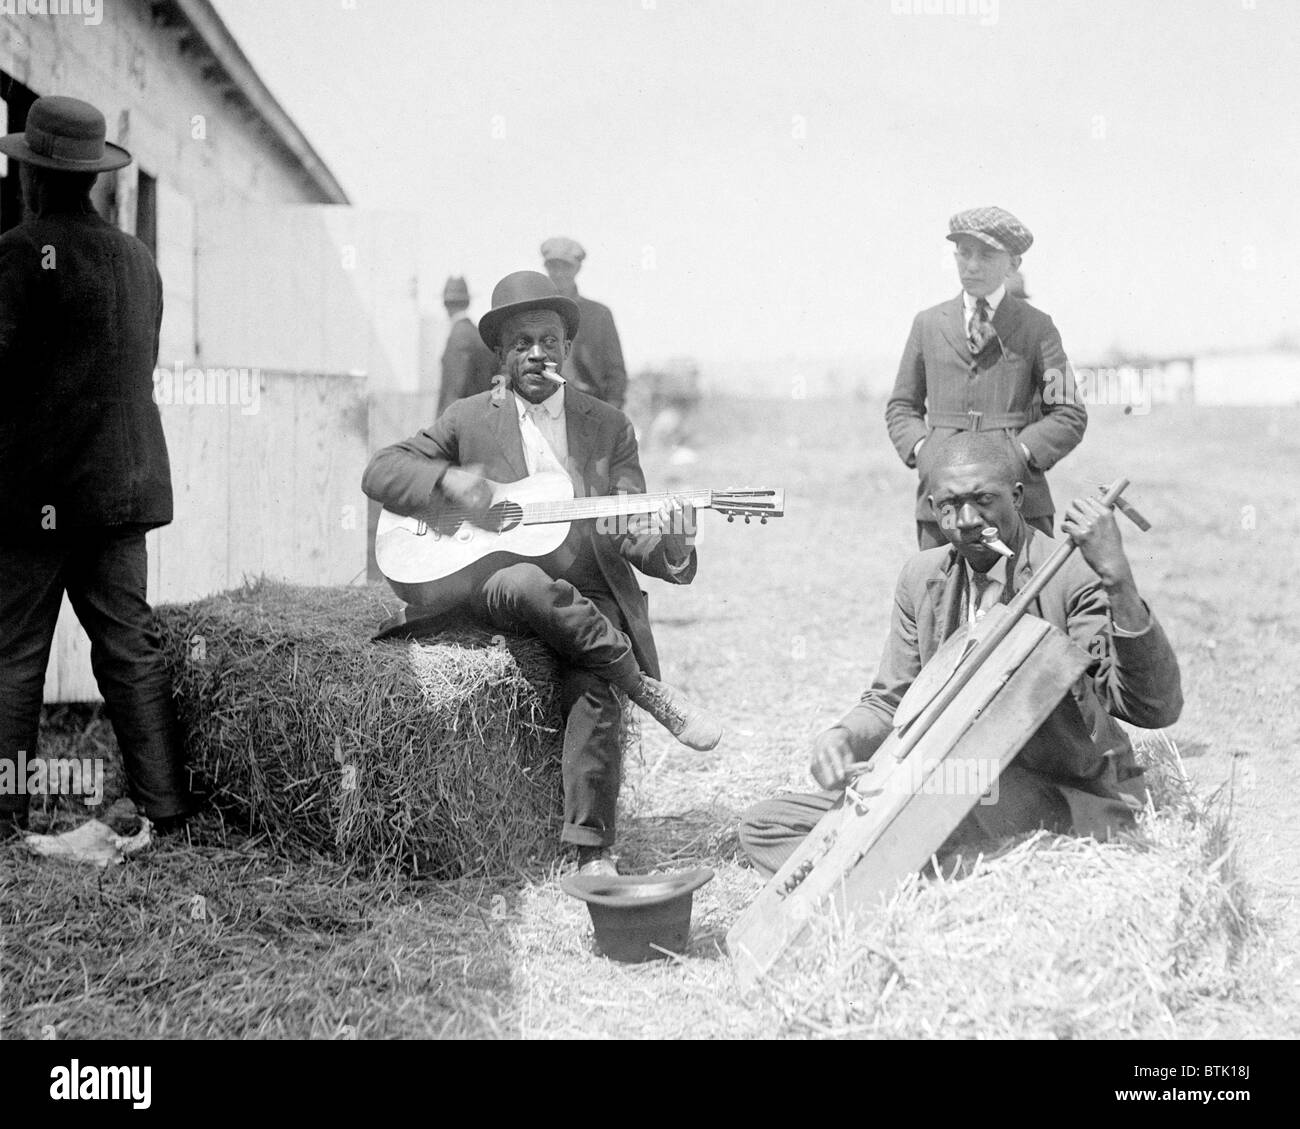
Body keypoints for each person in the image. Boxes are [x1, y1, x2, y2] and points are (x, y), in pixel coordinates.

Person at [362, 271, 721, 876]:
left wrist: (675, 539)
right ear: (501, 355)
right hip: (495, 581)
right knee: (529, 583)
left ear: (567, 349)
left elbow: (630, 527)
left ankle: (590, 853)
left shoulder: (608, 426)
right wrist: (449, 481)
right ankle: (649, 691)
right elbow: (380, 471)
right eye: (522, 342)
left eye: (550, 341)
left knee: (592, 666)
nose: (537, 353)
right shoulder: (470, 418)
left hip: (588, 589)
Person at [738, 431, 1182, 878]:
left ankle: (901, 873)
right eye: (949, 505)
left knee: (930, 809)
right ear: (932, 508)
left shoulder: (1069, 574)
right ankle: (924, 876)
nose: (967, 519)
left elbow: (1150, 707)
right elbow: (892, 700)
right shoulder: (921, 577)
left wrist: (1119, 580)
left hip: (1056, 791)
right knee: (766, 826)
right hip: (949, 787)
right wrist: (842, 737)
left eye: (983, 500)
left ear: (1018, 496)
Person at [0, 96, 191, 837]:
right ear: (93, 178)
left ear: (33, 175)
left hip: (38, 497)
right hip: (123, 491)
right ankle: (166, 807)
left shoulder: (18, 252)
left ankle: (5, 817)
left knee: (14, 653)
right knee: (129, 647)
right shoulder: (139, 260)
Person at [887, 206, 1087, 549]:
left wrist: (1018, 452)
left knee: (1024, 596)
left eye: (987, 254)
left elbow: (1069, 413)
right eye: (964, 253)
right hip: (943, 496)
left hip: (1015, 497)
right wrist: (926, 452)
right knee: (939, 594)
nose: (972, 264)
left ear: (1013, 264)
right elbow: (902, 407)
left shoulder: (1037, 326)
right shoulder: (928, 324)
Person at [540, 236, 627, 409]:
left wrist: (611, 415)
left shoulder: (598, 314)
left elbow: (615, 372)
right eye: (553, 266)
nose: (559, 273)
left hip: (588, 406)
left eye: (566, 267)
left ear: (577, 268)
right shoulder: (533, 312)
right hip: (541, 406)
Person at [435, 275, 498, 416]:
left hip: (461, 422)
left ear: (446, 305)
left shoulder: (458, 336)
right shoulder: (478, 334)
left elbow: (455, 388)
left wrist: (443, 428)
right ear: (468, 302)